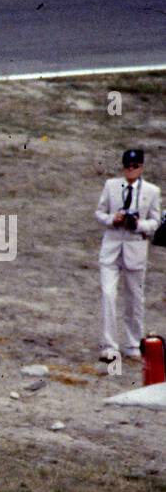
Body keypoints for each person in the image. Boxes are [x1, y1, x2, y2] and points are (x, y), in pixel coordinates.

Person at [95, 148, 162, 361]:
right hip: (112, 245)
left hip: (135, 247)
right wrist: (111, 219)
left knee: (135, 298)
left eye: (134, 167)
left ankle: (133, 342)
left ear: (141, 167)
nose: (130, 171)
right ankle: (109, 344)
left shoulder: (152, 191)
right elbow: (99, 212)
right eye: (127, 167)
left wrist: (138, 224)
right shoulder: (111, 186)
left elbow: (156, 221)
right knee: (108, 294)